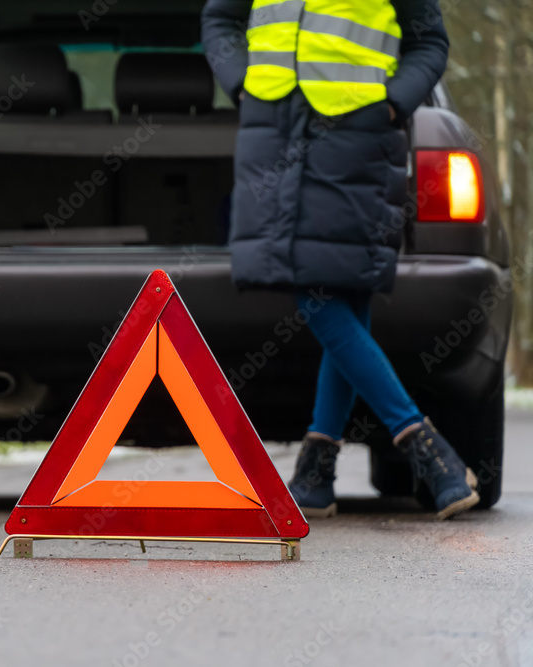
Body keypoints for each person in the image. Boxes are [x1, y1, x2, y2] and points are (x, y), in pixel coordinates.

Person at [201, 0, 479, 519]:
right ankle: (419, 442)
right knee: (316, 287)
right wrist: (241, 82)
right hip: (275, 132)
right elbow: (219, 17)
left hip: (359, 135)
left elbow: (429, 41)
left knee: (342, 286)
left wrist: (393, 102)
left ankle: (317, 469)